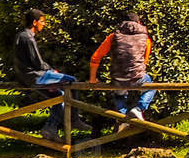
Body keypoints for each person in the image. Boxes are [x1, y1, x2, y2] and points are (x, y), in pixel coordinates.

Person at [12, 9, 75, 141]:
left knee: (59, 96)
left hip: (27, 76)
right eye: (42, 21)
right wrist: (52, 72)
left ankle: (50, 128)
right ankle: (75, 119)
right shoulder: (27, 37)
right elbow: (37, 62)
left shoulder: (22, 36)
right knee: (72, 81)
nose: (44, 24)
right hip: (35, 75)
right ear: (34, 22)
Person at [88, 13, 156, 120]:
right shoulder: (146, 39)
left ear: (122, 24)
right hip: (137, 77)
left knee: (119, 95)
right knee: (151, 88)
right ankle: (138, 109)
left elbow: (95, 58)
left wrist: (92, 79)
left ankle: (122, 118)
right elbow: (145, 61)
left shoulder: (113, 37)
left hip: (118, 77)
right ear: (139, 23)